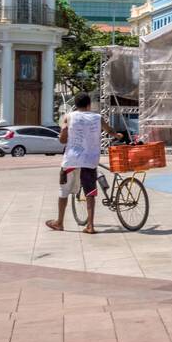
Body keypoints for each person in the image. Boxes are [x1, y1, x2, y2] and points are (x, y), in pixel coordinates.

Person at [46, 93, 116, 235]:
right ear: (89, 105)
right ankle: (90, 225)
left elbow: (63, 137)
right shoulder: (97, 118)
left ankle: (59, 222)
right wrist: (117, 135)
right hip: (90, 161)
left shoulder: (69, 116)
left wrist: (64, 134)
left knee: (64, 190)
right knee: (90, 192)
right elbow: (109, 130)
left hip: (71, 160)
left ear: (76, 105)